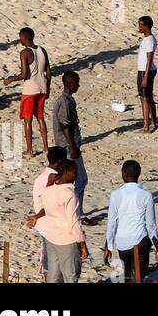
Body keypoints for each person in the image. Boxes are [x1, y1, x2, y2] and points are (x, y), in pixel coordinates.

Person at [25, 159, 88, 283]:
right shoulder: (69, 194)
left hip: (51, 237)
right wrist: (83, 244)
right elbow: (73, 222)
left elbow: (46, 208)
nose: (76, 175)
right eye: (74, 172)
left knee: (53, 276)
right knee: (70, 276)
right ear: (68, 173)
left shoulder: (48, 190)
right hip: (67, 240)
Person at [103, 159, 158, 281]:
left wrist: (108, 246)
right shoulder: (146, 195)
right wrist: (157, 247)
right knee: (139, 276)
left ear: (123, 174)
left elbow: (112, 223)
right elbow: (151, 224)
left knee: (127, 275)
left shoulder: (115, 194)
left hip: (122, 243)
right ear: (139, 174)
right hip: (140, 242)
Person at [3, 27, 50, 158]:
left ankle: (29, 151)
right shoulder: (42, 50)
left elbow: (24, 74)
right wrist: (48, 88)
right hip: (42, 87)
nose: (20, 39)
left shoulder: (24, 53)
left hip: (30, 90)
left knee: (27, 120)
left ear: (25, 37)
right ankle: (46, 148)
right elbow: (49, 71)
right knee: (40, 117)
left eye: (20, 37)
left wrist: (11, 79)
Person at [50, 71, 87, 215]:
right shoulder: (65, 102)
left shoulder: (67, 100)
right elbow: (65, 125)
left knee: (69, 180)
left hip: (68, 146)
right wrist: (72, 147)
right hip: (68, 147)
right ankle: (76, 212)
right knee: (80, 179)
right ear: (70, 84)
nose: (78, 85)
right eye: (77, 82)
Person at [135, 16, 158, 133]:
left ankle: (146, 126)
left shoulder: (149, 41)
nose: (139, 27)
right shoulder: (148, 39)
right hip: (144, 70)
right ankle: (153, 123)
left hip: (146, 71)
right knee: (148, 98)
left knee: (145, 98)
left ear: (146, 26)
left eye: (140, 25)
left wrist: (145, 76)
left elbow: (150, 59)